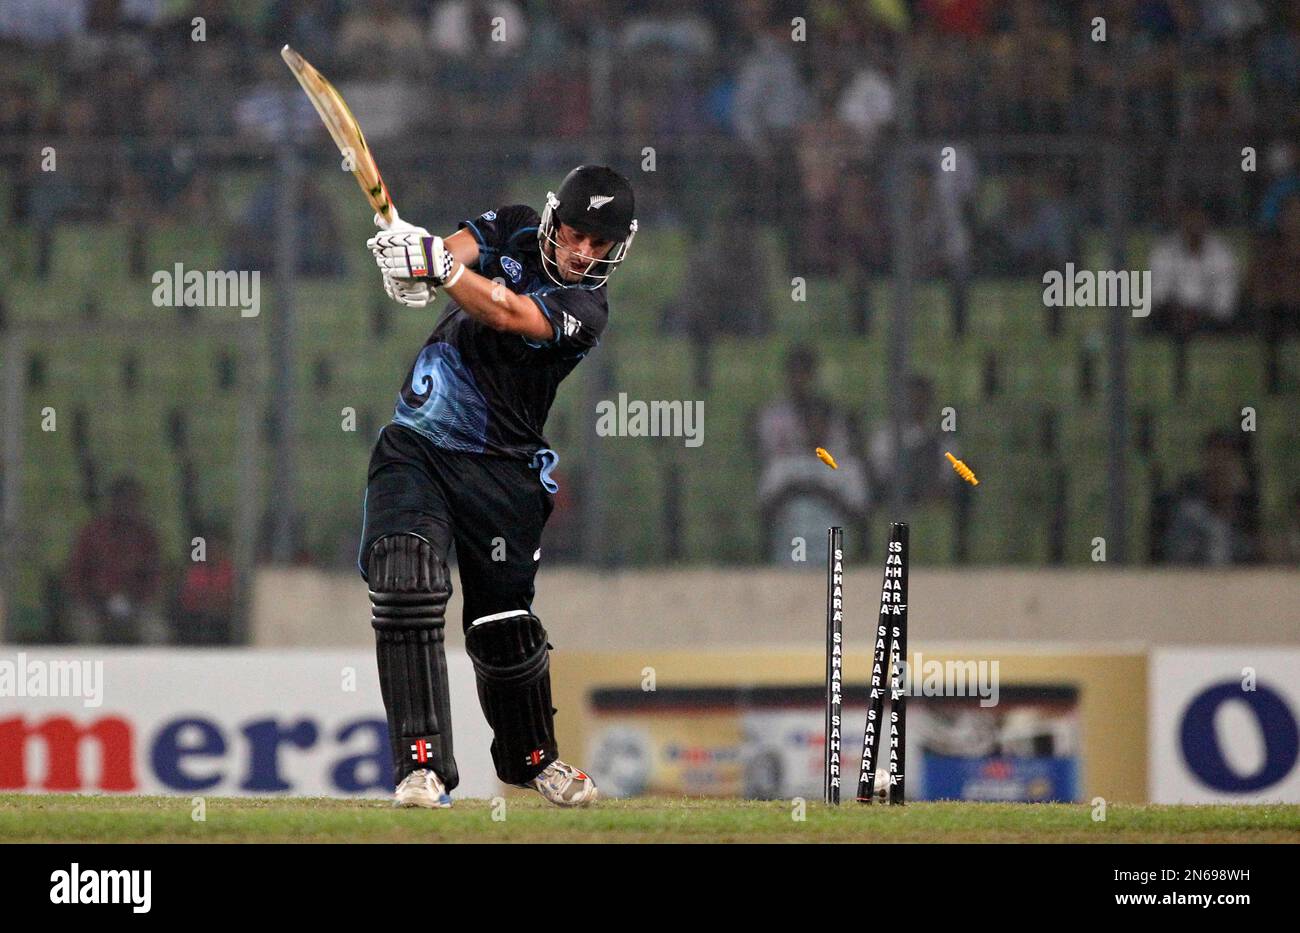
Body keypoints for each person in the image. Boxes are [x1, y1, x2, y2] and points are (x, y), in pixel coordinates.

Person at [363, 165, 636, 809]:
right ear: (553, 218)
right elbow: (454, 254)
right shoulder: (514, 224)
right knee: (407, 578)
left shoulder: (586, 309)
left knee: (503, 627)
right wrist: (413, 257)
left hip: (504, 472)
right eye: (575, 235)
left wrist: (439, 271)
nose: (582, 254)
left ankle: (533, 760)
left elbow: (505, 310)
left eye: (601, 245)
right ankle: (421, 767)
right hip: (420, 444)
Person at [65, 477, 165, 644]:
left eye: (132, 501)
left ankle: (149, 670)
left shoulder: (147, 536)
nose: (127, 506)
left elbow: (155, 577)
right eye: (123, 500)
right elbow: (76, 573)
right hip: (94, 604)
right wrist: (94, 599)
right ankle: (91, 670)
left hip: (136, 603)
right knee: (85, 630)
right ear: (113, 502)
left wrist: (138, 599)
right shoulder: (92, 533)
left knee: (156, 632)